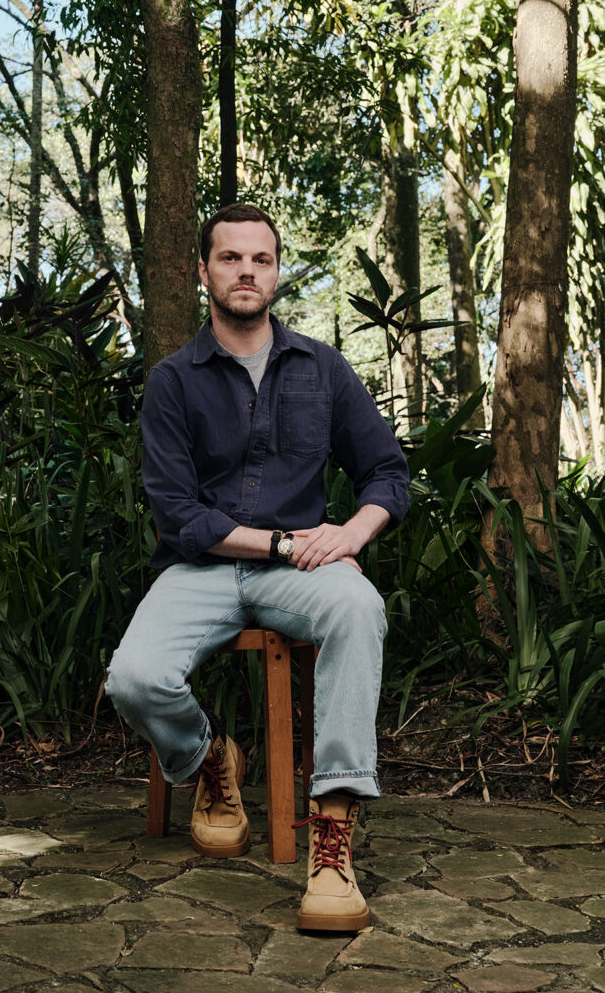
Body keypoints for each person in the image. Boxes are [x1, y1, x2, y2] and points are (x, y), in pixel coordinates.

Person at [105, 202, 410, 932]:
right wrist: (279, 542)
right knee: (134, 677)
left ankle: (332, 836)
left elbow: (388, 471)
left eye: (261, 259)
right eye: (231, 258)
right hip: (202, 566)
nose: (246, 270)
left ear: (276, 271)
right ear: (202, 270)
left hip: (303, 566)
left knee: (359, 607)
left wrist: (352, 535)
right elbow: (181, 516)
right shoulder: (173, 381)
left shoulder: (322, 368)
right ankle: (210, 757)